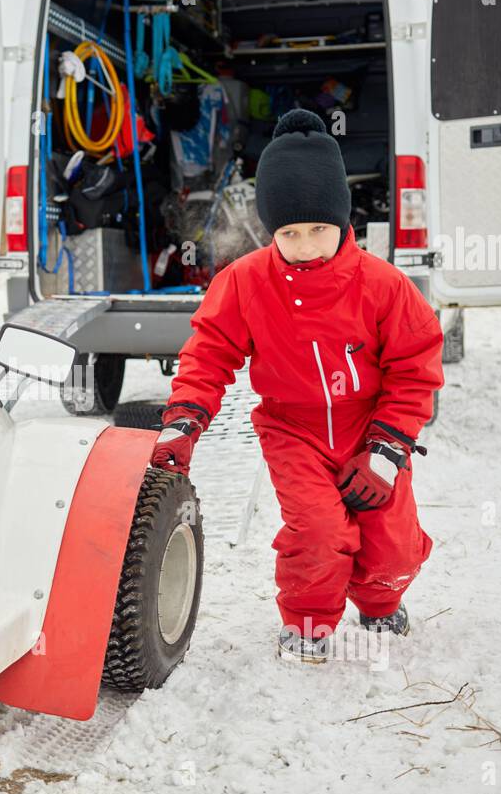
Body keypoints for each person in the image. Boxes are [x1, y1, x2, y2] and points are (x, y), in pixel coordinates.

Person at [151, 108, 445, 663]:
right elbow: (209, 353)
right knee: (316, 530)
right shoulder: (243, 284)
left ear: (342, 221)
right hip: (293, 429)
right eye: (289, 233)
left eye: (319, 229)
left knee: (391, 540)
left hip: (370, 427)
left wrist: (386, 450)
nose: (306, 245)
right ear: (270, 230)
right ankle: (308, 622)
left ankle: (381, 604)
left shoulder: (384, 287)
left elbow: (415, 368)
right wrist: (184, 420)